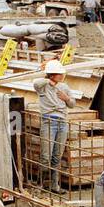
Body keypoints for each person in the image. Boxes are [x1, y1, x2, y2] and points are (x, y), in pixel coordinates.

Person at [32, 58, 75, 190]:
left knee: (57, 155)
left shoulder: (64, 87)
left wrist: (66, 98)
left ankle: (54, 185)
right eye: (59, 74)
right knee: (46, 156)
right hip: (49, 121)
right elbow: (35, 82)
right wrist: (48, 79)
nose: (62, 76)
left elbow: (73, 104)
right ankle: (40, 184)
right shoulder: (43, 86)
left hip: (62, 122)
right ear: (52, 74)